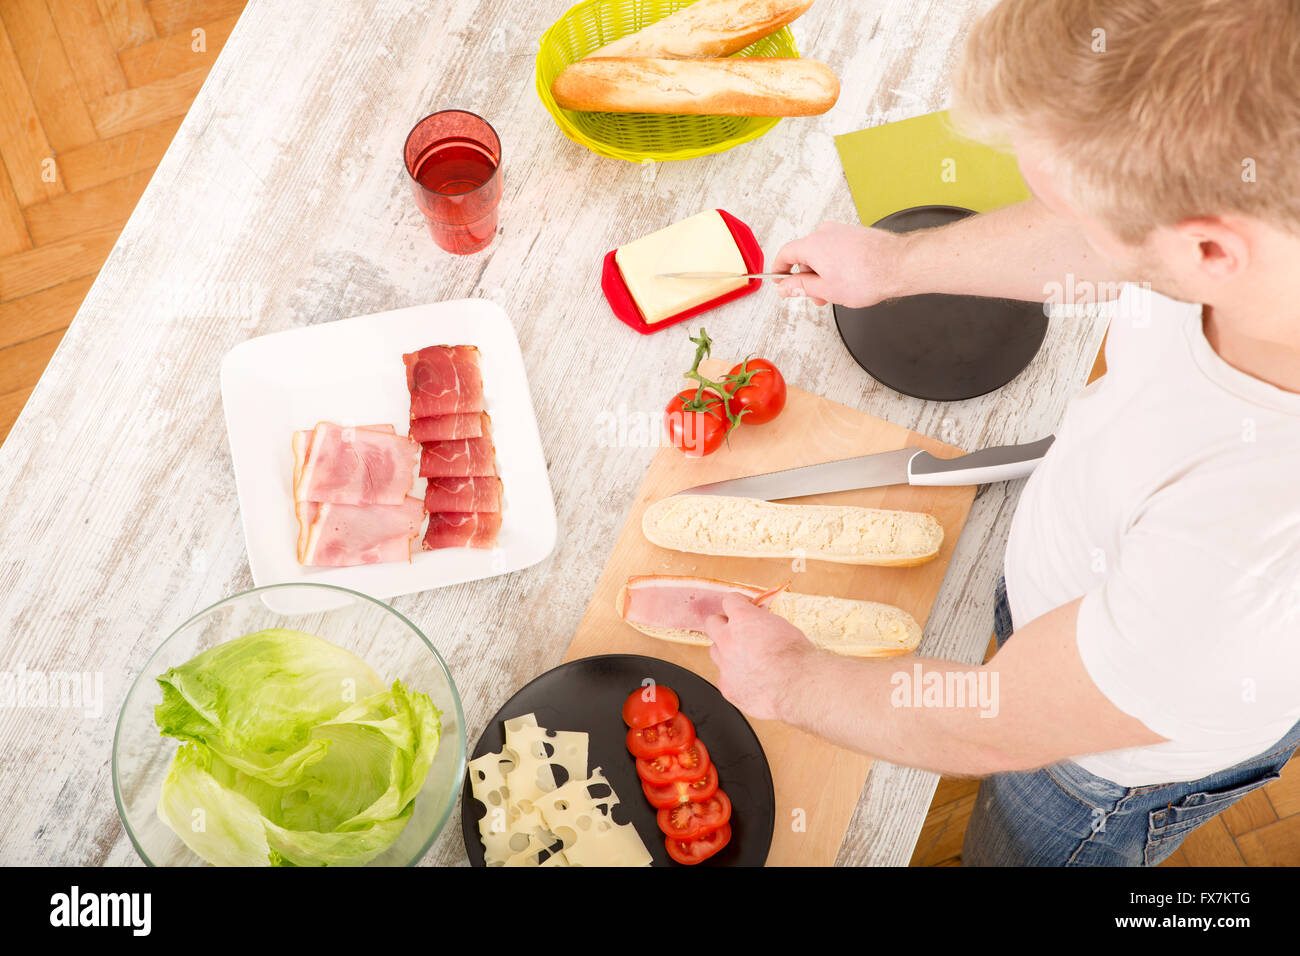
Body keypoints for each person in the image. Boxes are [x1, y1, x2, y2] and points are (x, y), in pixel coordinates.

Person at [702, 0, 1300, 866]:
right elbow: (1112, 239)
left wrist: (793, 680)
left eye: (1076, 204)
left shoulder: (1239, 564)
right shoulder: (1255, 201)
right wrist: (899, 265)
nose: (1069, 222)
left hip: (1094, 775)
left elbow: (1001, 723)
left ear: (1207, 251)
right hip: (1078, 606)